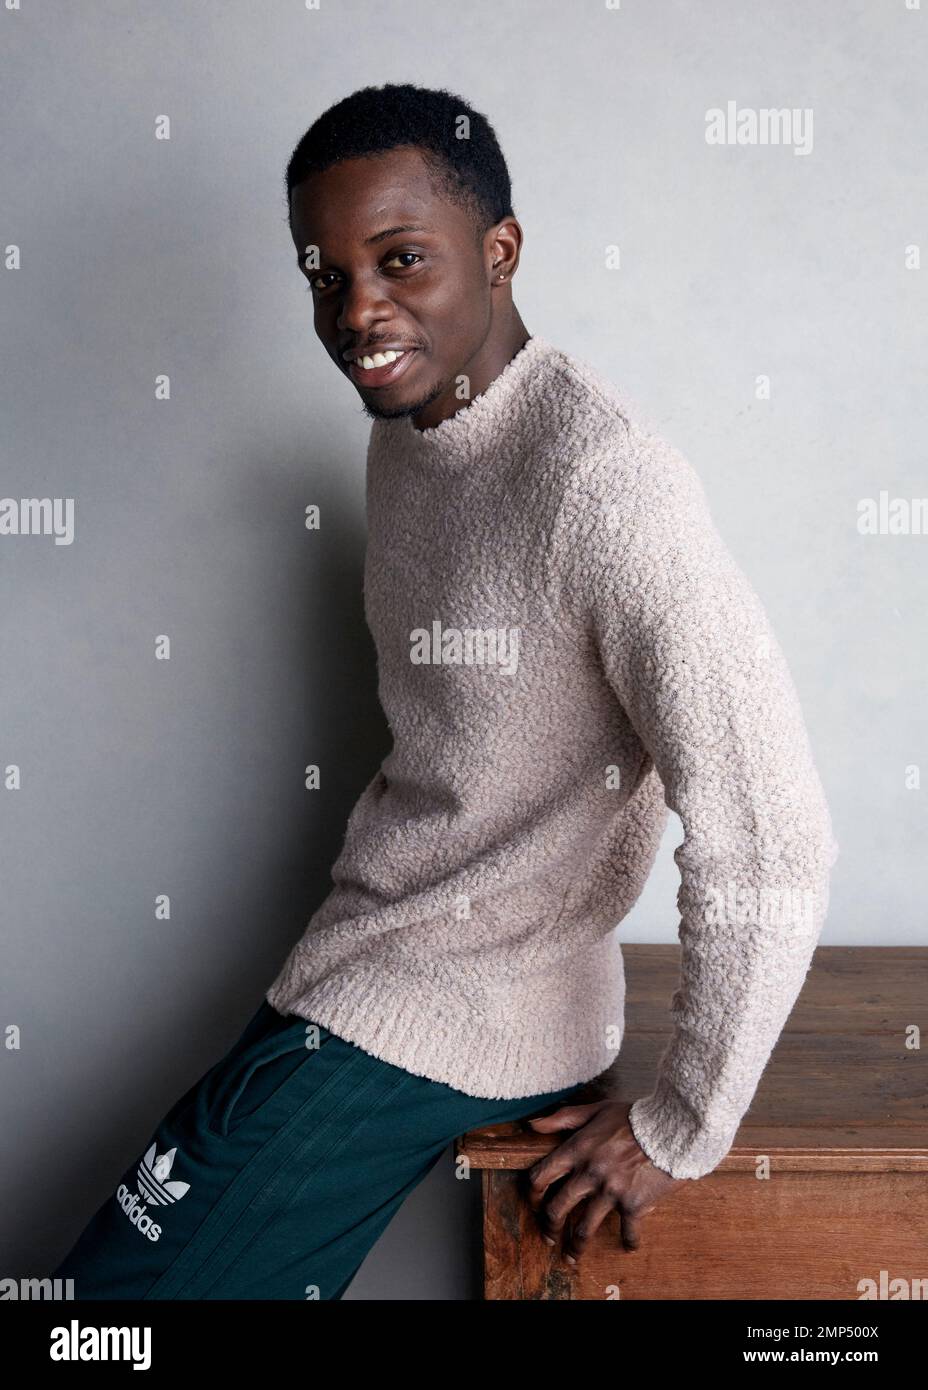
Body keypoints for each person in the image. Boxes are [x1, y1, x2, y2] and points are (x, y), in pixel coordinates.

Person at [52, 82, 839, 1300]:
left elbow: (774, 831)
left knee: (101, 1318)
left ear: (501, 250)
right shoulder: (407, 431)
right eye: (326, 275)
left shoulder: (607, 486)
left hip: (467, 1004)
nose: (358, 310)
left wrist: (683, 1119)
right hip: (371, 959)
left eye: (401, 260)